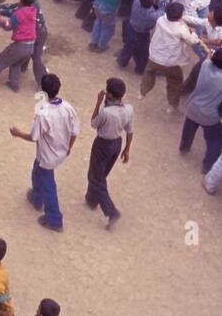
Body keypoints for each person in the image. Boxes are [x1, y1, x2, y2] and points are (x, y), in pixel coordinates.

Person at [10, 72, 78, 232]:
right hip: (60, 151)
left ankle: (54, 218)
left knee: (48, 184)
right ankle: (36, 197)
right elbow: (75, 131)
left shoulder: (43, 112)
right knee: (37, 171)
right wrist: (69, 148)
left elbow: (34, 137)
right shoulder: (68, 107)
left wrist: (18, 133)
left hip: (47, 156)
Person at [85, 78, 133, 228]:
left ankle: (111, 211)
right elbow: (130, 131)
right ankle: (92, 200)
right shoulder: (128, 109)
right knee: (101, 174)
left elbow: (93, 123)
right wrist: (127, 149)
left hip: (102, 144)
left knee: (94, 177)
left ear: (110, 94)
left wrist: (98, 102)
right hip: (117, 144)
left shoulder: (106, 112)